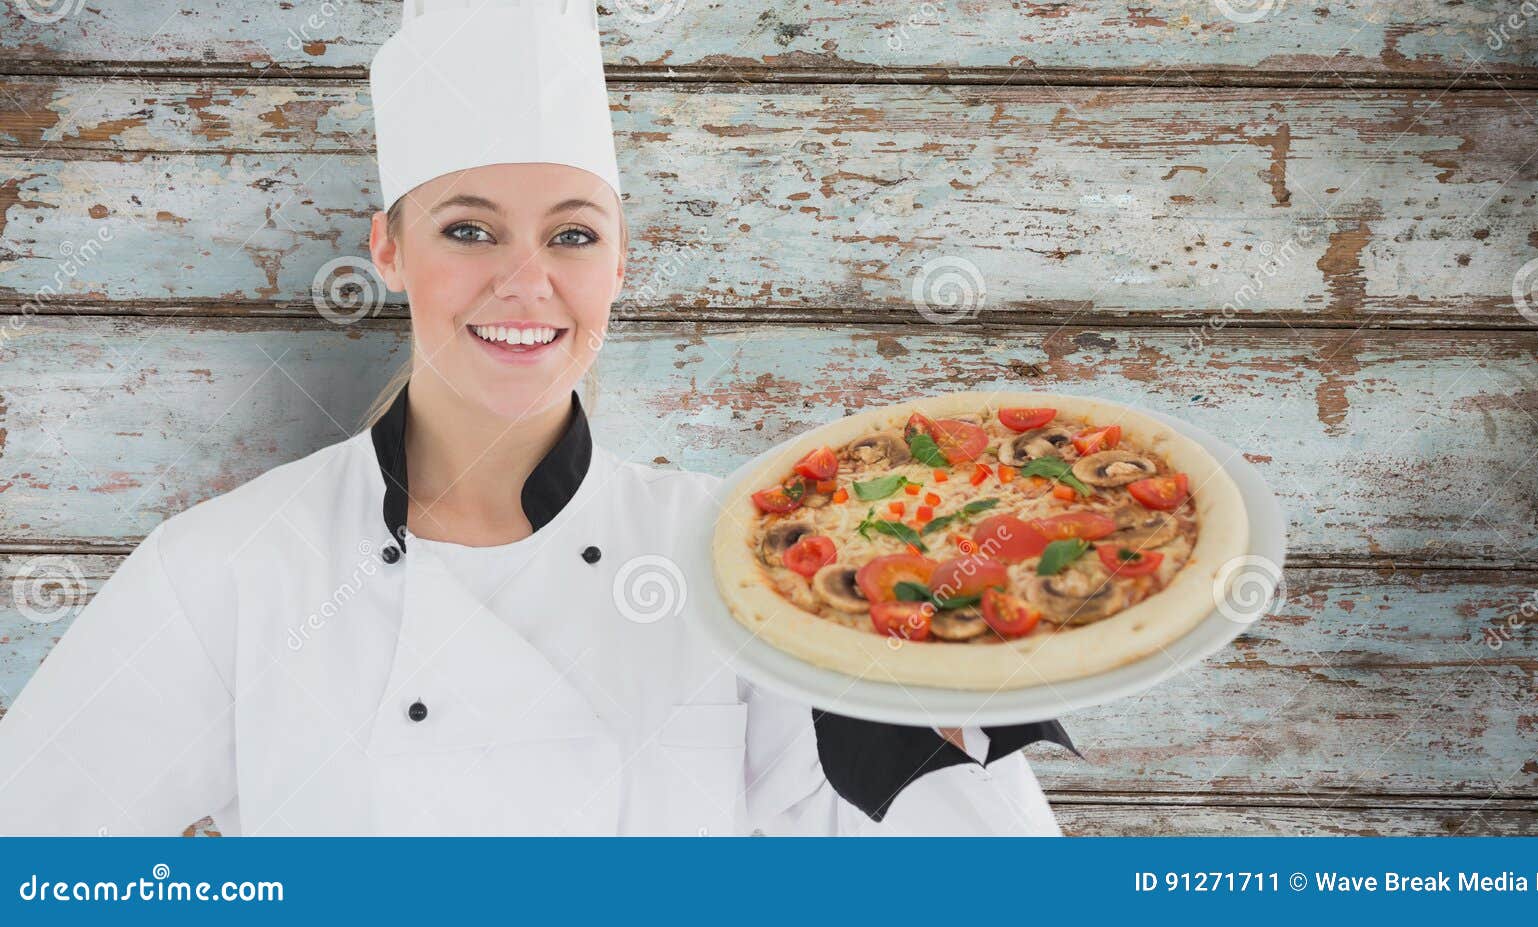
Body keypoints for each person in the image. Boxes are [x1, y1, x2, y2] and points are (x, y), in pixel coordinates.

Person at [0, 0, 1074, 836]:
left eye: (570, 236)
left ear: (620, 260)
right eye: (468, 230)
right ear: (386, 249)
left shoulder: (749, 564)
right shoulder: (233, 569)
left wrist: (941, 670)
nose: (526, 284)